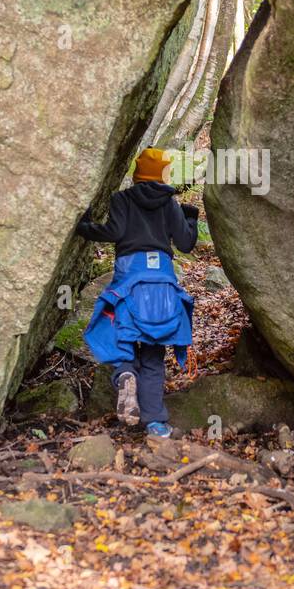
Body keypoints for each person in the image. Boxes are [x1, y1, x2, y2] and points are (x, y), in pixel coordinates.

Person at [75, 147, 199, 438]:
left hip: (130, 281)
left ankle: (126, 374)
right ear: (162, 174)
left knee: (123, 336)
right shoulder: (170, 204)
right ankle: (155, 423)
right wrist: (190, 218)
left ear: (137, 173)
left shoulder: (122, 199)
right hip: (162, 285)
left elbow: (113, 233)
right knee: (154, 354)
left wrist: (84, 226)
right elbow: (185, 243)